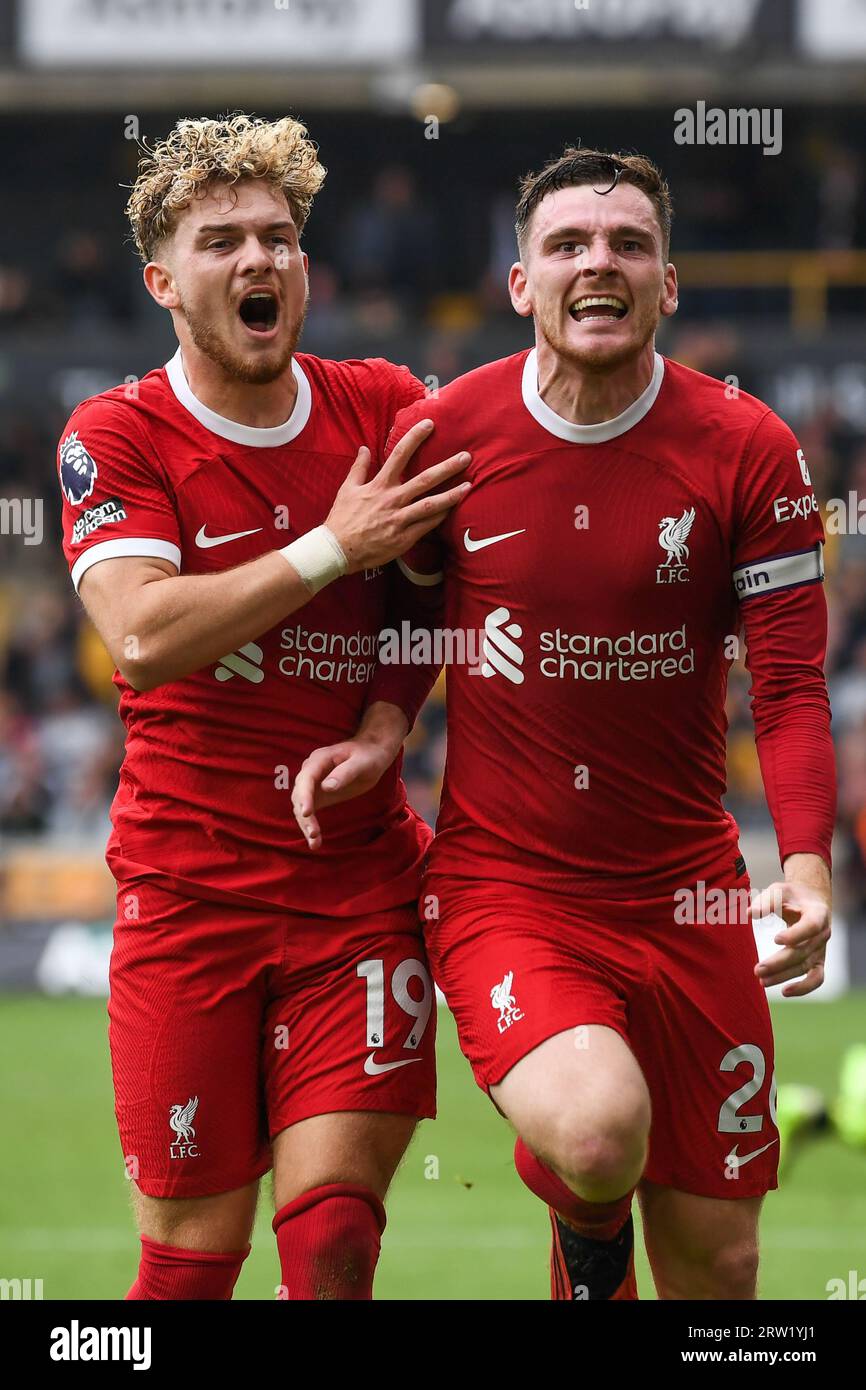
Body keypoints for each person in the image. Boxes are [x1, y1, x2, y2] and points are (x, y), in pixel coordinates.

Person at [294, 148, 835, 1301]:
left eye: (628, 245)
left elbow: (787, 685)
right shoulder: (446, 434)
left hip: (690, 895)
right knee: (594, 1134)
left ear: (668, 285)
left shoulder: (748, 449)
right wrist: (389, 720)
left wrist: (803, 869)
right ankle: (587, 1243)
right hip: (510, 891)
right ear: (520, 284)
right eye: (569, 247)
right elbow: (408, 600)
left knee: (723, 1272)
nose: (600, 264)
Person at [56, 113, 470, 1301]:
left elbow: (436, 585)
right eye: (221, 239)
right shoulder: (118, 435)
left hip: (355, 887)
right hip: (189, 893)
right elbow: (143, 636)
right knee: (186, 1269)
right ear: (162, 281)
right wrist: (333, 545)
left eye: (279, 237)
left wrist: (390, 722)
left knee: (334, 1245)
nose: (258, 260)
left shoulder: (381, 405)